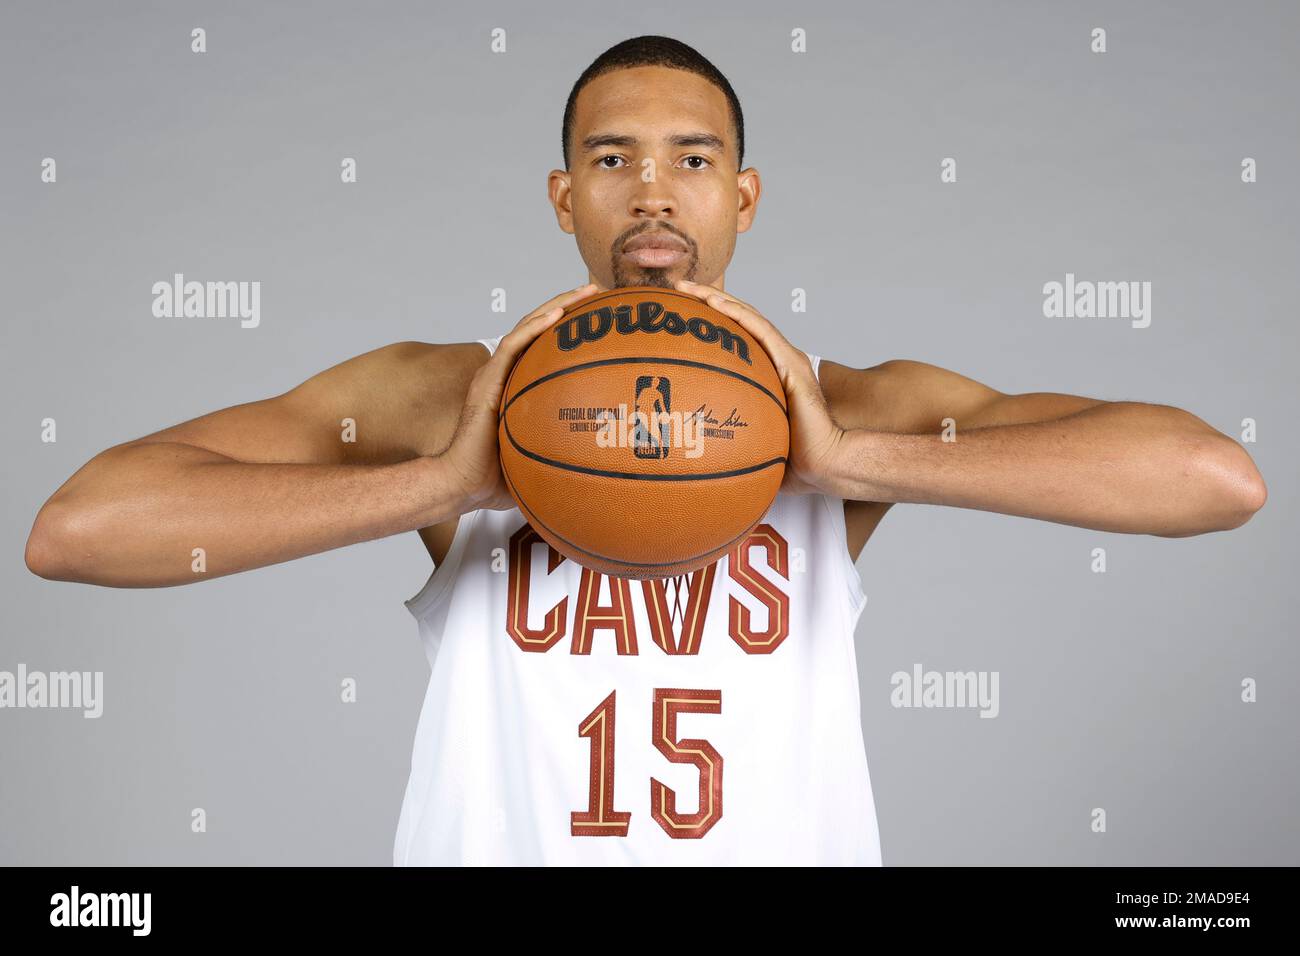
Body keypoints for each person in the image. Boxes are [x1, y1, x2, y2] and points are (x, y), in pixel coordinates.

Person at [24, 36, 1267, 865]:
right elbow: (77, 529)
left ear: (745, 195)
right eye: (612, 159)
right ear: (564, 196)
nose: (654, 194)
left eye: (694, 158)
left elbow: (1214, 478)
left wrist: (845, 462)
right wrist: (447, 481)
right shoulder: (447, 398)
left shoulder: (848, 406)